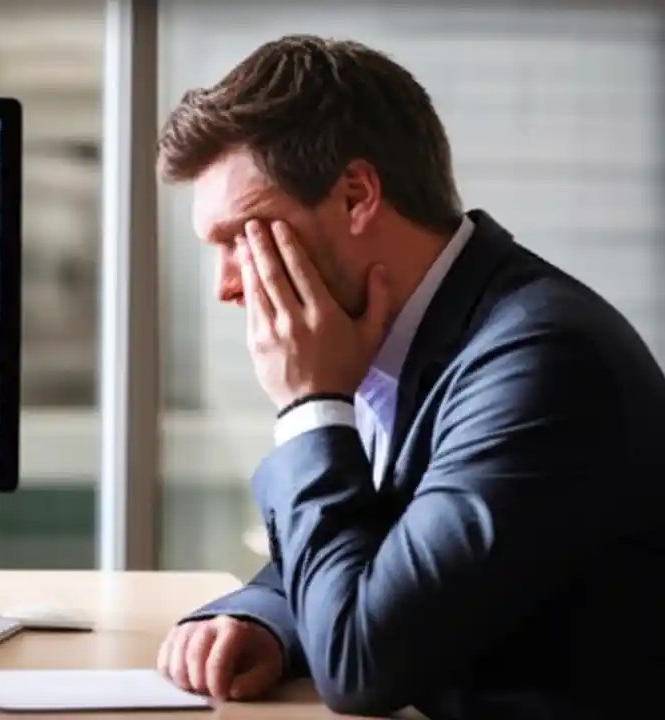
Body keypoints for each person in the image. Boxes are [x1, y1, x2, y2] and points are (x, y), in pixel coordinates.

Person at [153, 35, 665, 719]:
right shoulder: (414, 330)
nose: (224, 285)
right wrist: (263, 618)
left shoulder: (541, 361)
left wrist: (310, 403)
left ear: (357, 195)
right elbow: (377, 547)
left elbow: (364, 664)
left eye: (242, 237)